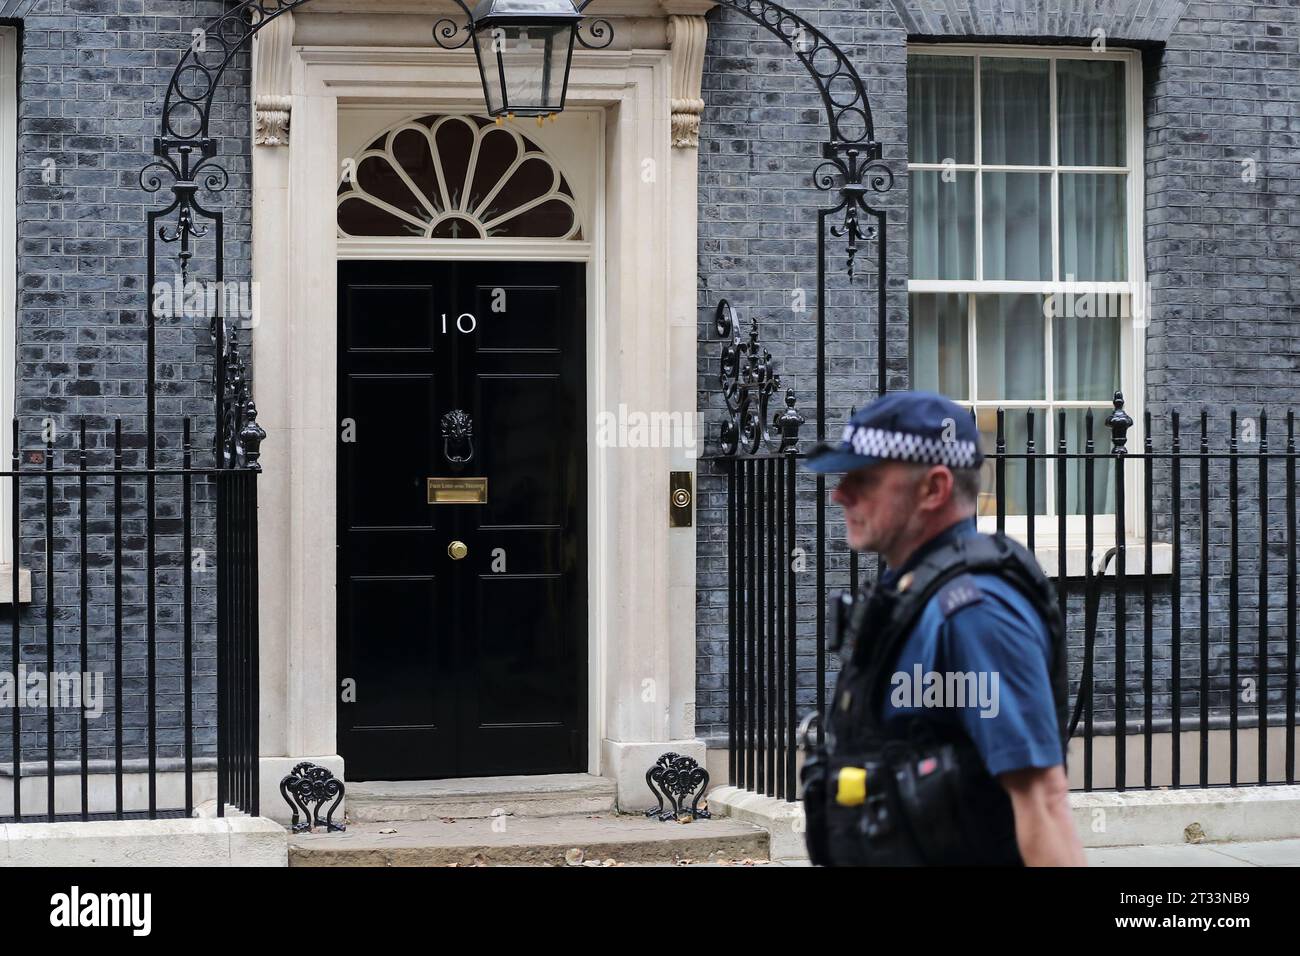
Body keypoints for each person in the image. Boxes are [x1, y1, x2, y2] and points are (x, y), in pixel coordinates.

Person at [799, 390, 1085, 866]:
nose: (840, 492)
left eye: (865, 478)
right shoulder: (908, 593)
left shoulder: (976, 612)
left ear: (933, 489)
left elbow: (1044, 804)